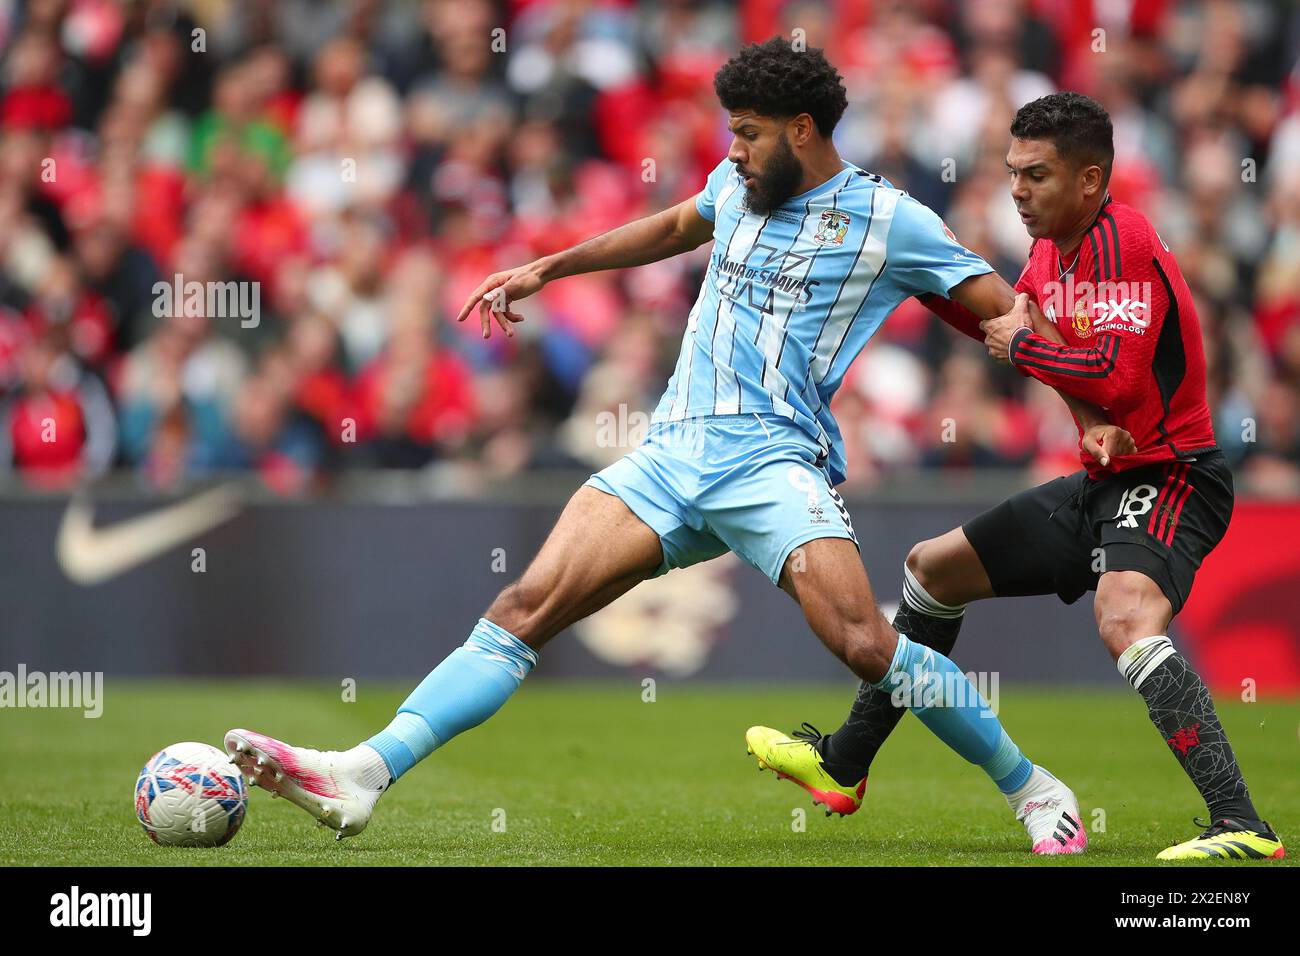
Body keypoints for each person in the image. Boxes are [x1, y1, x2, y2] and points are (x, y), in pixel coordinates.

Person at [222, 41, 1121, 854]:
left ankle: (1035, 790)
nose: (731, 149)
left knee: (864, 643)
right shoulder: (739, 185)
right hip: (669, 453)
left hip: (773, 461)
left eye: (747, 132)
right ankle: (362, 775)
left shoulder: (891, 221)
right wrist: (550, 266)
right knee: (524, 604)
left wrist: (1084, 409)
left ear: (801, 131)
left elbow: (1006, 312)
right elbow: (671, 226)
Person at [747, 92, 1284, 862]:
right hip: (1105, 481)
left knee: (1126, 618)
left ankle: (1241, 824)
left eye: (1038, 175)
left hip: (1174, 477)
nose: (1019, 191)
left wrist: (1023, 348)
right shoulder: (1045, 255)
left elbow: (1121, 378)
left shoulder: (1121, 238)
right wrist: (913, 273)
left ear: (1091, 180)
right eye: (1012, 173)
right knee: (932, 569)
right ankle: (843, 764)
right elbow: (995, 319)